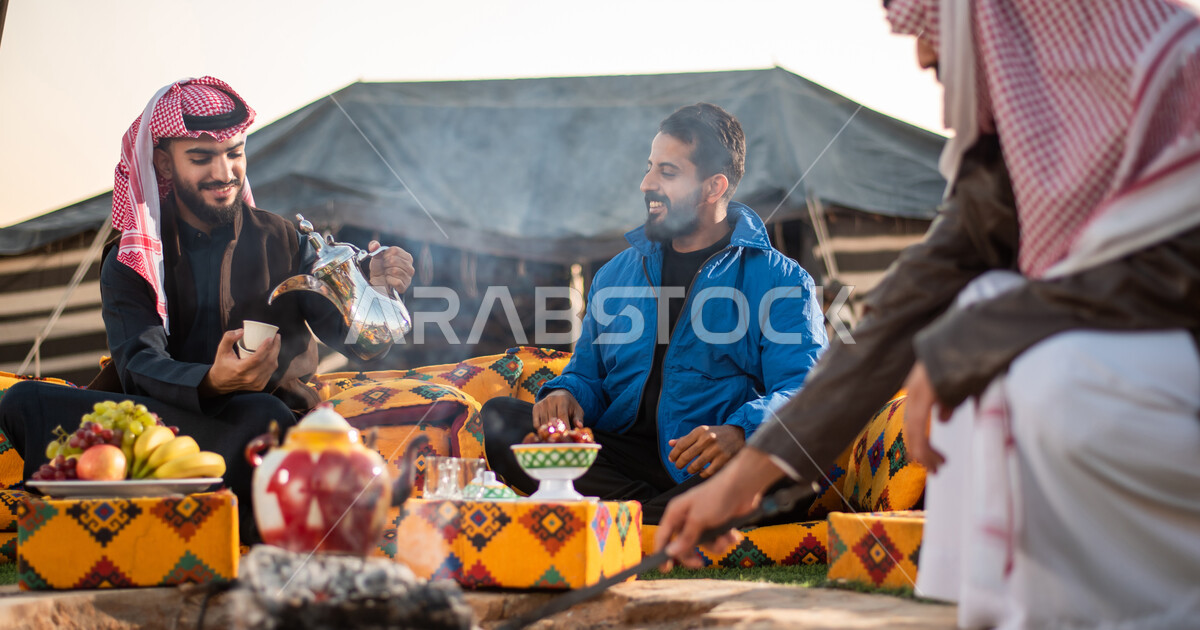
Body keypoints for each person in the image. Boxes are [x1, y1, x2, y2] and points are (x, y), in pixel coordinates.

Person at [657, 2, 1200, 627]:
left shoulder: (1183, 85)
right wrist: (743, 481)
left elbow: (1167, 271)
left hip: (1155, 384)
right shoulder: (1009, 166)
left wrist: (961, 347)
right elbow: (898, 315)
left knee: (1031, 360)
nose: (921, 54)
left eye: (937, 32)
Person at [0, 77, 415, 540]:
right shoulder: (131, 257)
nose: (224, 171)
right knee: (24, 403)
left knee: (265, 417)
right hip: (164, 420)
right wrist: (210, 381)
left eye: (234, 153)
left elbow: (361, 345)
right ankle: (193, 492)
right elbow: (138, 363)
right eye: (201, 158)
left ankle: (168, 500)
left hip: (257, 422)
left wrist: (375, 293)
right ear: (163, 162)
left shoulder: (283, 241)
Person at [482, 103, 827, 523]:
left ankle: (631, 521)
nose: (647, 184)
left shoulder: (781, 281)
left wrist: (740, 431)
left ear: (713, 187)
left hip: (713, 466)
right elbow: (587, 374)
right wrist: (565, 394)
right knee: (503, 420)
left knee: (790, 473)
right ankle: (661, 520)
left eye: (668, 173)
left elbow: (804, 392)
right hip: (625, 459)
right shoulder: (615, 275)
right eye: (649, 168)